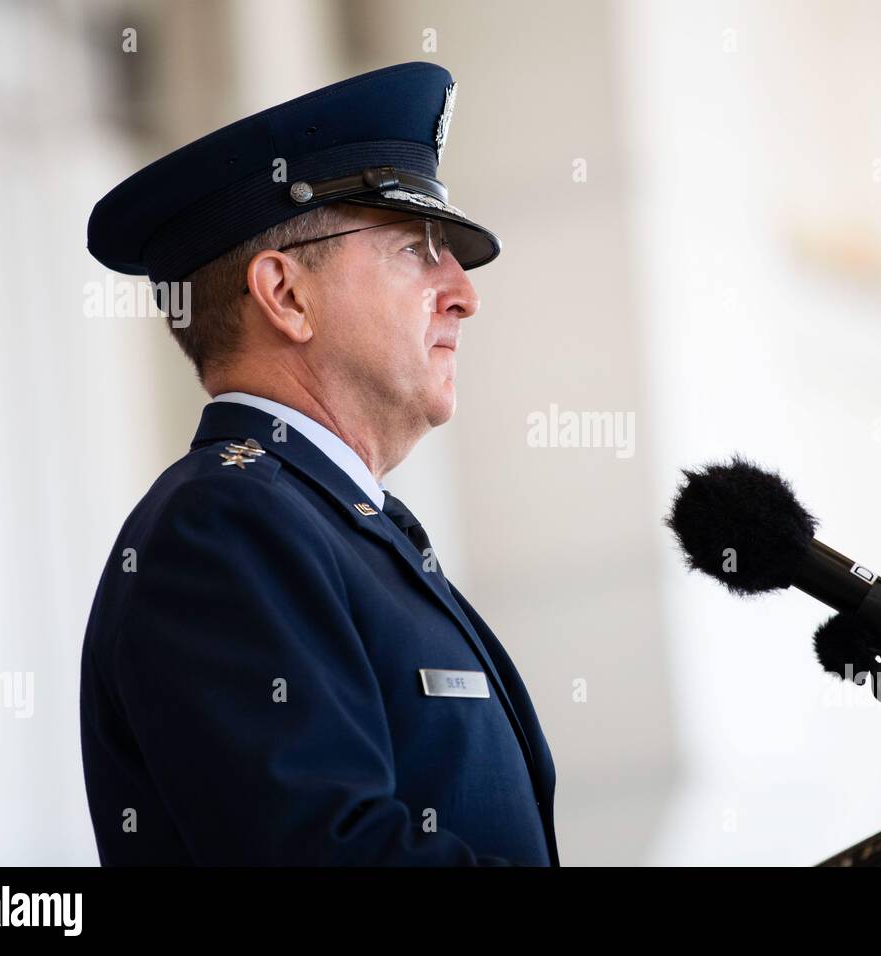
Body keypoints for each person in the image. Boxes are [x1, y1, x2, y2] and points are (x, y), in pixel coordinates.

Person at [79, 61, 559, 866]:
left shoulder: (332, 522)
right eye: (417, 249)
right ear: (286, 296)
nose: (463, 293)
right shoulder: (227, 527)